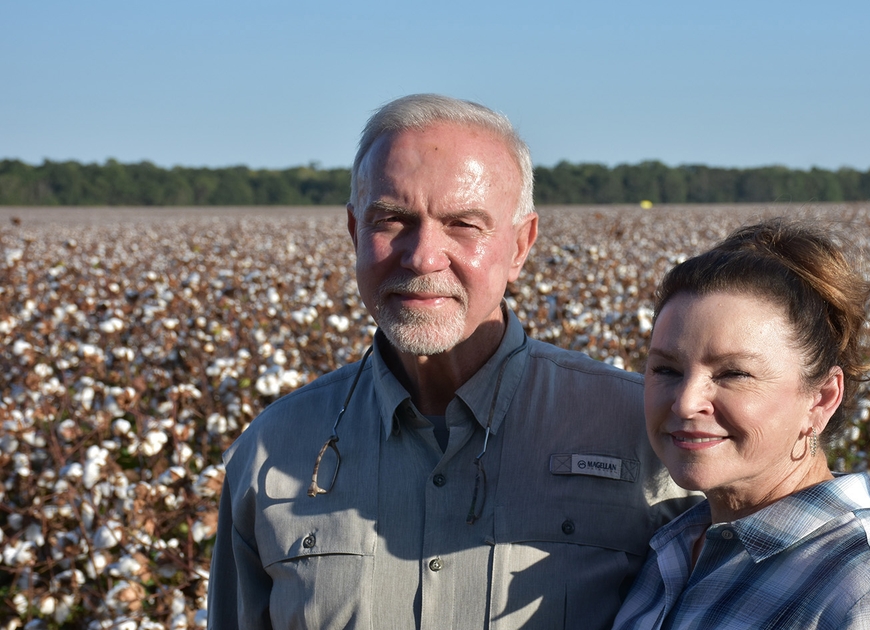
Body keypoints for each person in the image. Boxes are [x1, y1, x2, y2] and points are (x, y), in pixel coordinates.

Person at [207, 94, 693, 629]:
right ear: (353, 233)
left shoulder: (648, 435)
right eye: (392, 220)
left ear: (520, 246)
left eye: (463, 224)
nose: (422, 256)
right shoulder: (271, 451)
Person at [613, 219, 870, 629]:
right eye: (666, 370)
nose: (686, 402)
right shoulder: (679, 547)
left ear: (821, 398)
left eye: (733, 374)